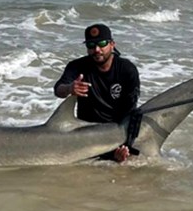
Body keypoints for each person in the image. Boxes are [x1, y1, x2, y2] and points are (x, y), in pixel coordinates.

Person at [54, 23, 140, 162]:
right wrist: (70, 88)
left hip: (115, 132)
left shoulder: (127, 70)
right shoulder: (77, 66)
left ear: (112, 44)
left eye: (102, 43)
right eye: (91, 45)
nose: (97, 49)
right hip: (85, 133)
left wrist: (125, 146)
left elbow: (131, 110)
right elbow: (58, 89)